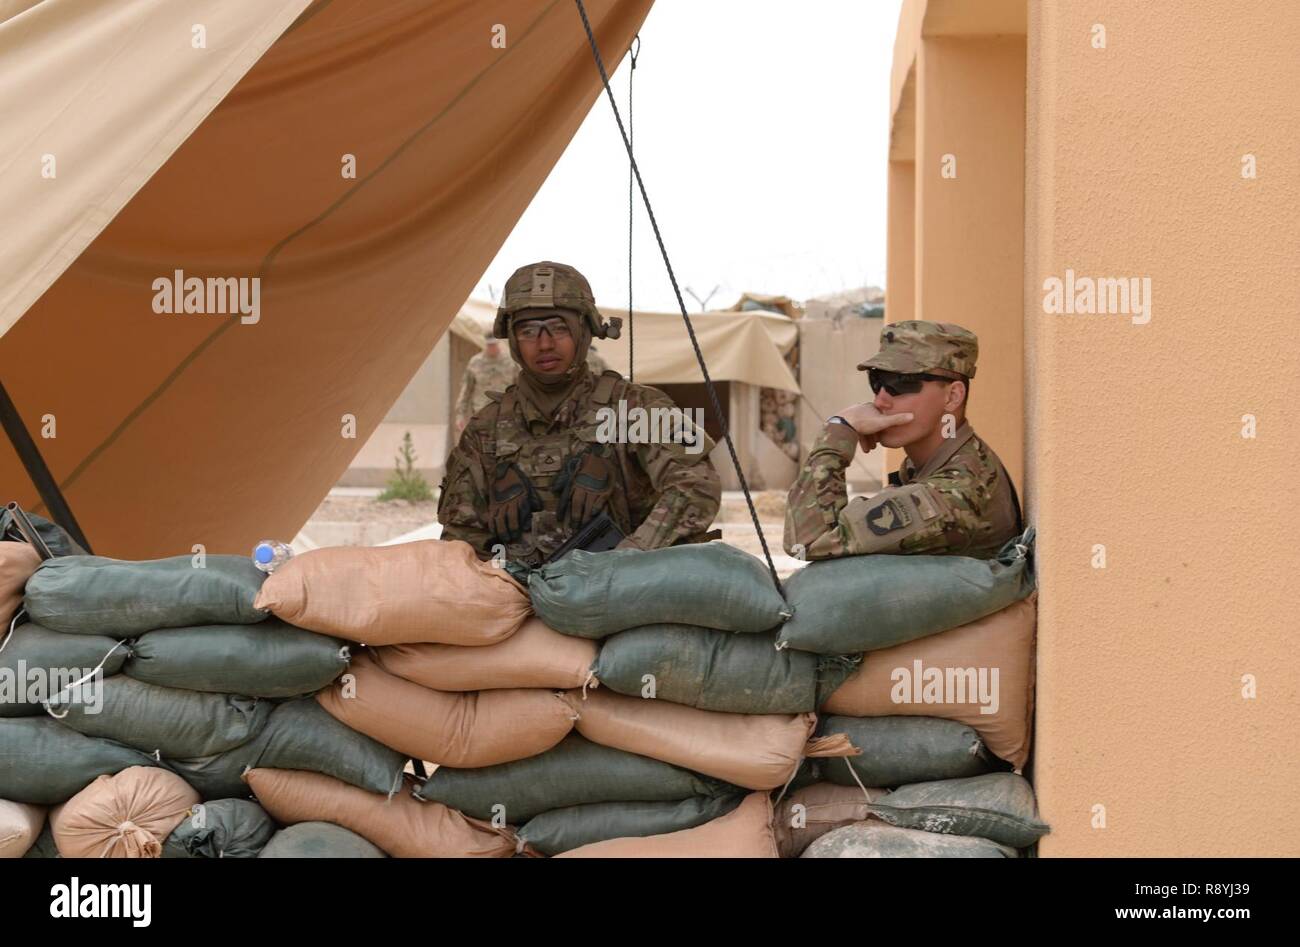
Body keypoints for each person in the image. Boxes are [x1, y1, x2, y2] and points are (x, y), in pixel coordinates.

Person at [439, 261, 722, 566]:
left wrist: (629, 556)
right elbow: (460, 540)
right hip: (514, 598)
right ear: (513, 339)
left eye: (560, 328)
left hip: (621, 592)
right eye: (528, 331)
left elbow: (697, 487)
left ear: (585, 330)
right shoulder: (486, 428)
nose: (544, 344)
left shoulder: (637, 409)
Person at [784, 320, 1021, 560]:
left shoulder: (955, 491)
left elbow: (805, 543)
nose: (880, 401)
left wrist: (838, 430)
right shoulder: (939, 459)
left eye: (901, 383)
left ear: (952, 396)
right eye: (877, 381)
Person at [454, 329, 518, 432]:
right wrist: (460, 415)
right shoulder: (475, 363)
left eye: (494, 344)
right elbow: (466, 391)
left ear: (498, 343)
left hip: (505, 415)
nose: (492, 347)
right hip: (481, 414)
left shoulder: (510, 362)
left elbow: (520, 388)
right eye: (489, 345)